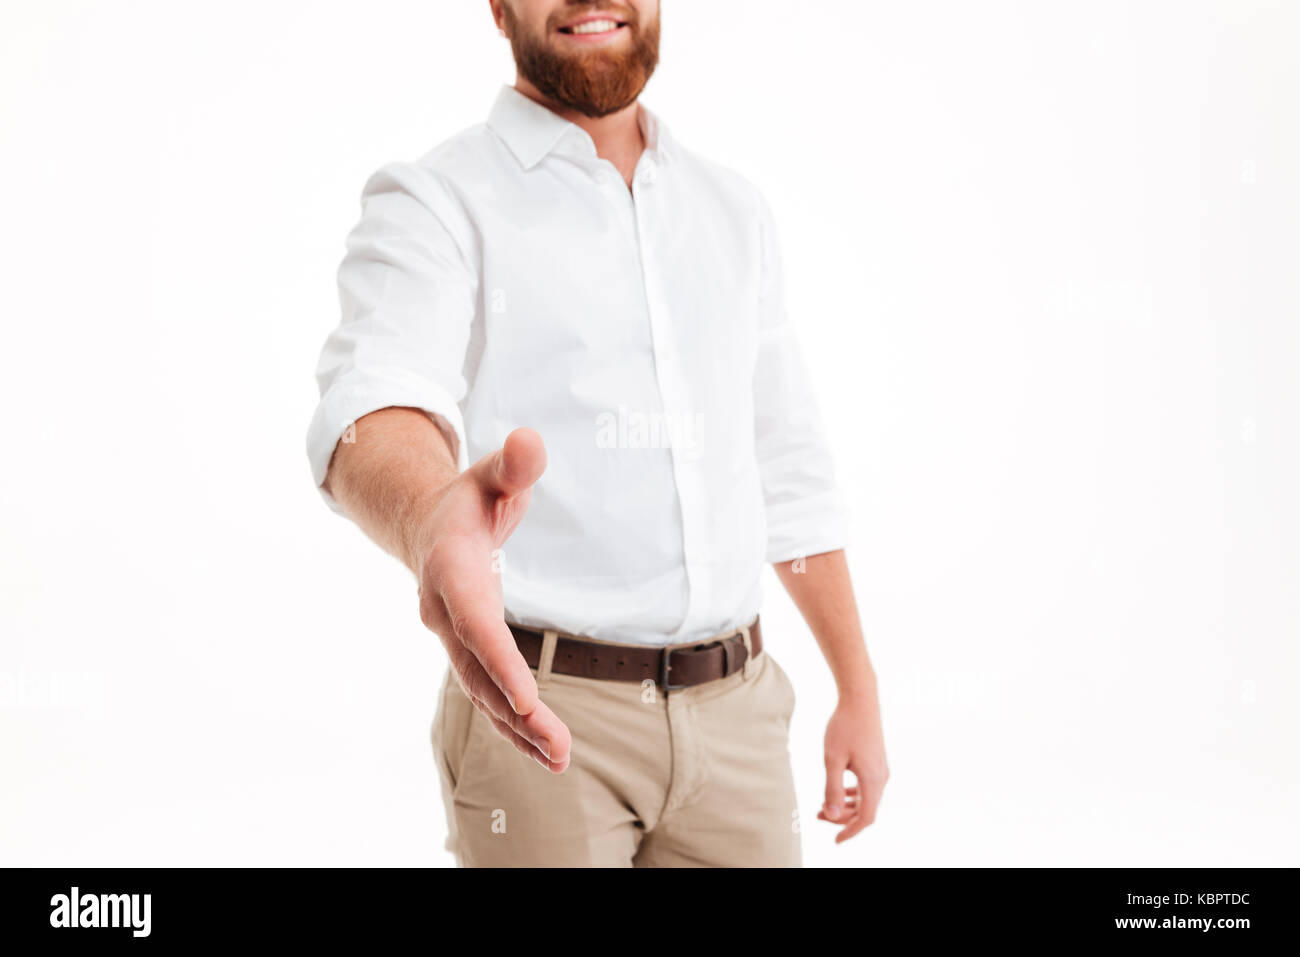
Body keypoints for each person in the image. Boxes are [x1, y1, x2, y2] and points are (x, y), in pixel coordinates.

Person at [307, 0, 888, 867]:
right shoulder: (436, 199)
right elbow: (376, 399)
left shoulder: (732, 210)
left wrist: (858, 684)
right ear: (498, 7)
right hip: (538, 720)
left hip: (741, 718)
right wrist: (429, 516)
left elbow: (787, 464)